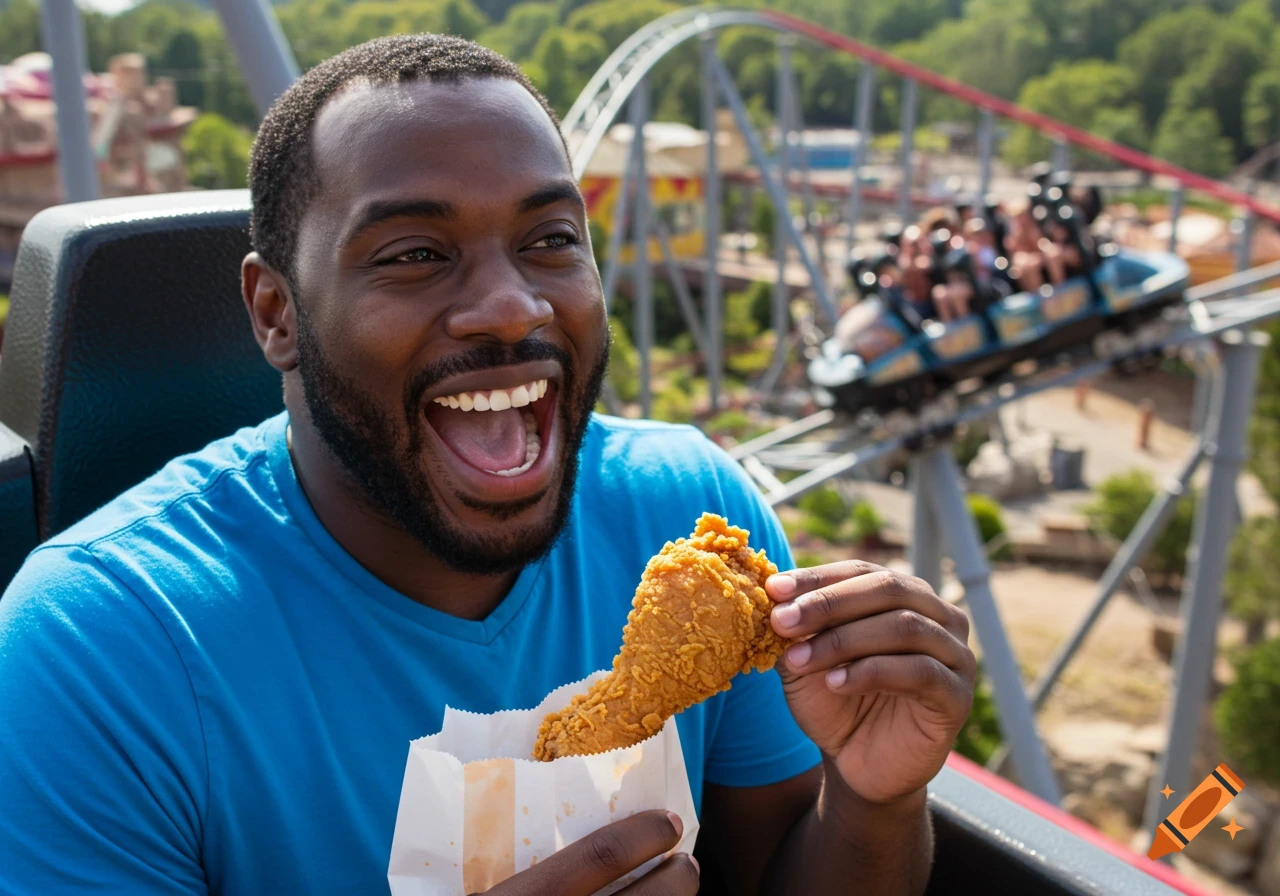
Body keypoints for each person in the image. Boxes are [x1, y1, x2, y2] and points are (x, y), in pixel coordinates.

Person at [0, 35, 975, 896]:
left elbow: (773, 872)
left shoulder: (688, 513)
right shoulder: (101, 647)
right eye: (415, 253)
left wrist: (873, 797)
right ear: (276, 313)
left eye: (551, 238)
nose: (511, 305)